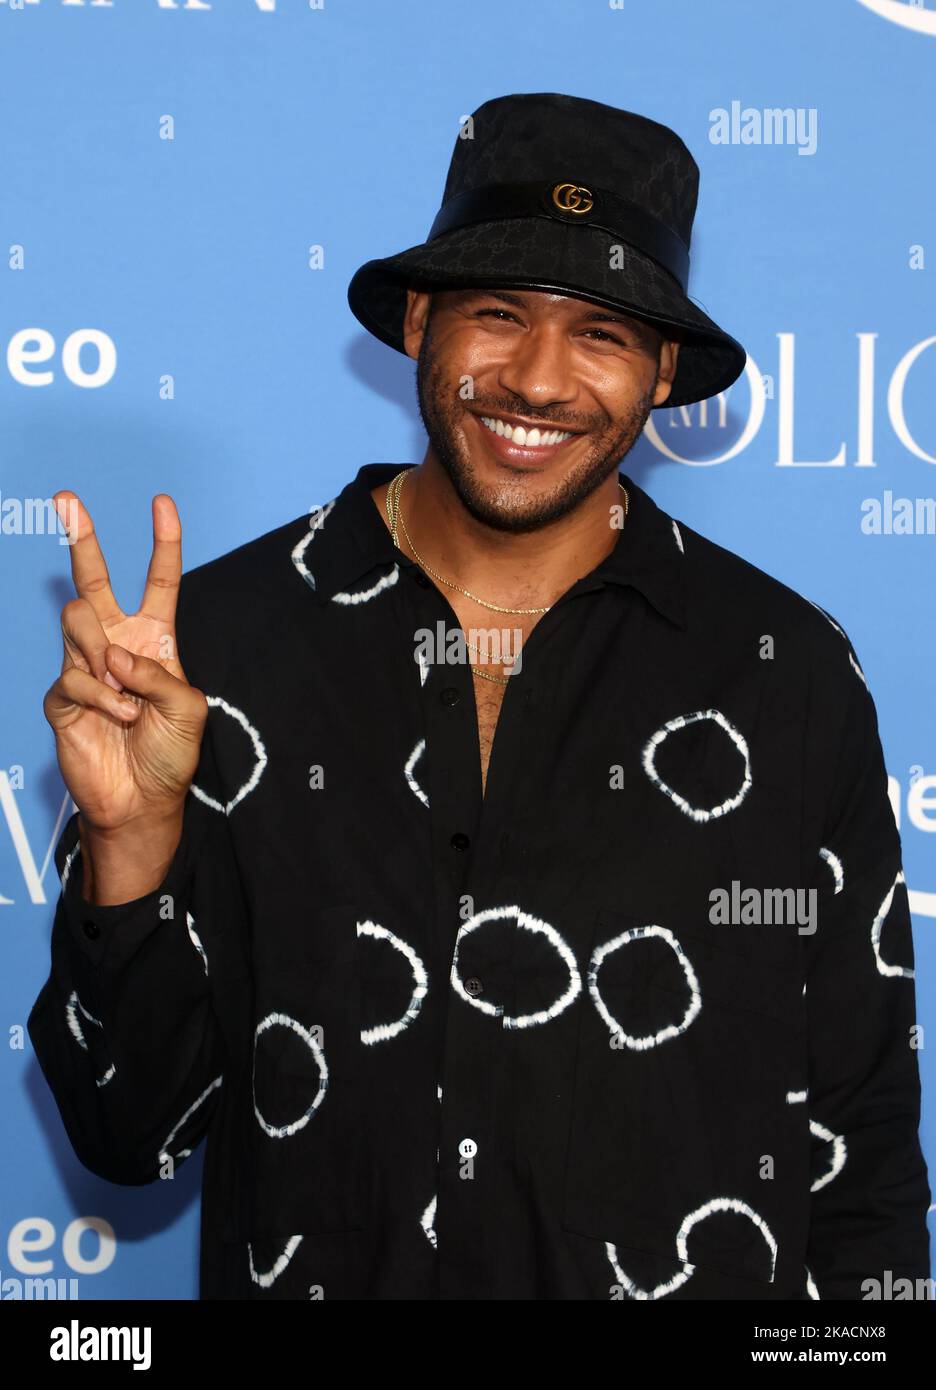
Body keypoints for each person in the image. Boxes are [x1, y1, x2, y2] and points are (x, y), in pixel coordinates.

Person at [29, 92, 930, 1300]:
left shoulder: (785, 668)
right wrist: (131, 841)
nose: (540, 379)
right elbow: (127, 1135)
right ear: (419, 323)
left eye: (603, 331)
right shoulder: (214, 651)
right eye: (500, 313)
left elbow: (861, 1148)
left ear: (663, 372)